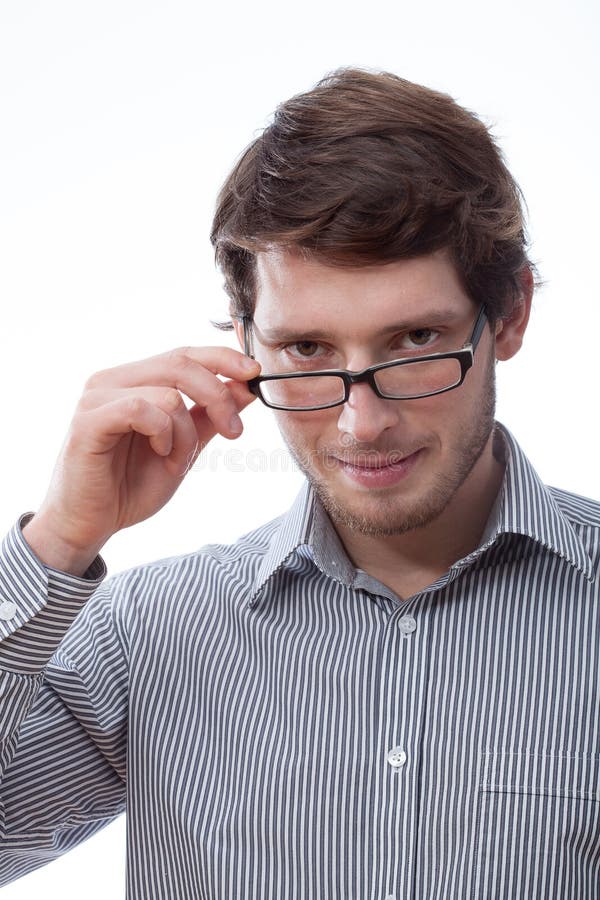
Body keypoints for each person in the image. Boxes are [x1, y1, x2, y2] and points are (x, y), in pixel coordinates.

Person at [0, 67, 598, 900]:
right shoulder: (148, 633)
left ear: (510, 315)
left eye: (415, 339)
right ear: (244, 341)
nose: (362, 423)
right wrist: (58, 539)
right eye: (307, 351)